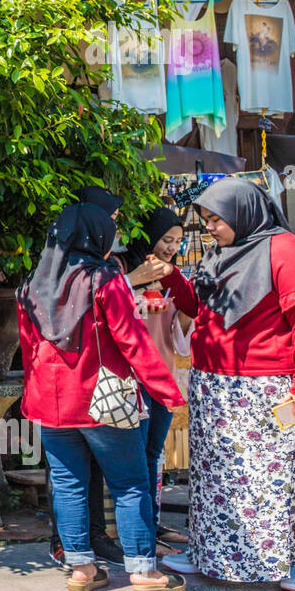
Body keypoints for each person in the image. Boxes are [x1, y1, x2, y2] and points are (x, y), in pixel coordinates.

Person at [156, 178, 295, 591]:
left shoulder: (288, 251)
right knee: (217, 478)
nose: (211, 228)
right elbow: (201, 308)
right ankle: (210, 553)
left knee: (282, 478)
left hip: (268, 389)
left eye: (216, 219)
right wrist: (171, 278)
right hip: (215, 386)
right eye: (206, 220)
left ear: (244, 212)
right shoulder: (222, 254)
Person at [18, 203, 188, 591]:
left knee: (68, 483)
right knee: (130, 484)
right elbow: (133, 340)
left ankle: (82, 570)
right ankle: (144, 575)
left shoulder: (31, 284)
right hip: (102, 401)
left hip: (50, 404)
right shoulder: (105, 280)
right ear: (94, 238)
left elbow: (28, 349)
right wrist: (166, 390)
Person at [46, 185, 126, 569]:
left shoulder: (104, 269)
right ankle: (69, 545)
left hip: (75, 394)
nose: (113, 228)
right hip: (76, 392)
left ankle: (87, 550)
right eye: (108, 220)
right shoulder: (58, 274)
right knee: (87, 479)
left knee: (82, 475)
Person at [119, 205, 191, 552]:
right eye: (166, 239)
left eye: (177, 241)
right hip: (130, 383)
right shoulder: (120, 271)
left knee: (153, 456)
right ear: (148, 236)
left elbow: (190, 314)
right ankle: (138, 532)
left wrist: (172, 279)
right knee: (134, 459)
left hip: (162, 379)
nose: (171, 248)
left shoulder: (172, 277)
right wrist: (135, 279)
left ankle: (152, 522)